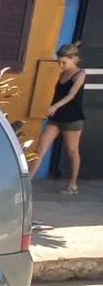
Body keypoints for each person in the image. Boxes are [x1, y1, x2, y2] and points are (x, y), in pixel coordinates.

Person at [32, 42, 86, 194]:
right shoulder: (63, 73)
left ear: (74, 59)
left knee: (72, 151)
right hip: (56, 118)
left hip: (72, 118)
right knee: (40, 149)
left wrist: (55, 106)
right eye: (59, 62)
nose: (61, 65)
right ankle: (27, 182)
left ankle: (73, 184)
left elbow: (71, 95)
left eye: (64, 62)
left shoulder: (80, 74)